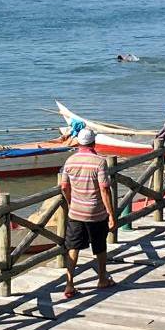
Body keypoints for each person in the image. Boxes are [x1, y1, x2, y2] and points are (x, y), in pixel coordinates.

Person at [58, 128, 116, 299]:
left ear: (78, 143)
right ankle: (102, 278)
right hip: (96, 212)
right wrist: (111, 214)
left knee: (73, 247)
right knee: (100, 245)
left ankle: (69, 284)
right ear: (93, 143)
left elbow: (64, 187)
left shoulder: (69, 161)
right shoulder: (99, 162)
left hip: (76, 212)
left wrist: (70, 202)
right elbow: (105, 189)